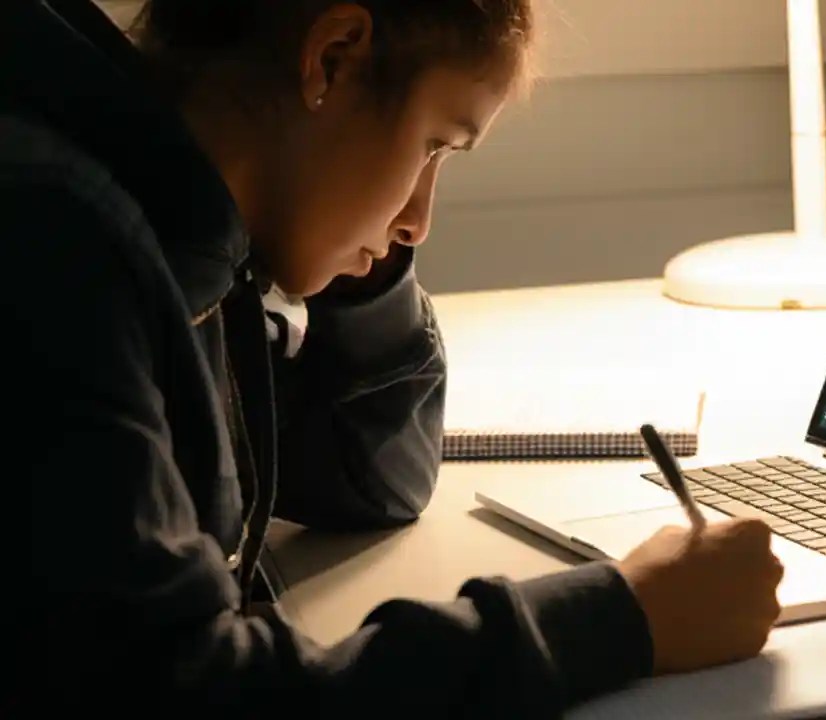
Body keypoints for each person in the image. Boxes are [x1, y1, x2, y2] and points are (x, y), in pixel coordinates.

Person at [4, 0, 784, 713]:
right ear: (333, 58)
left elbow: (371, 480)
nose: (422, 222)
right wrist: (624, 617)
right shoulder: (52, 245)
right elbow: (193, 694)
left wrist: (348, 224)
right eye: (434, 147)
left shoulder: (186, 225)